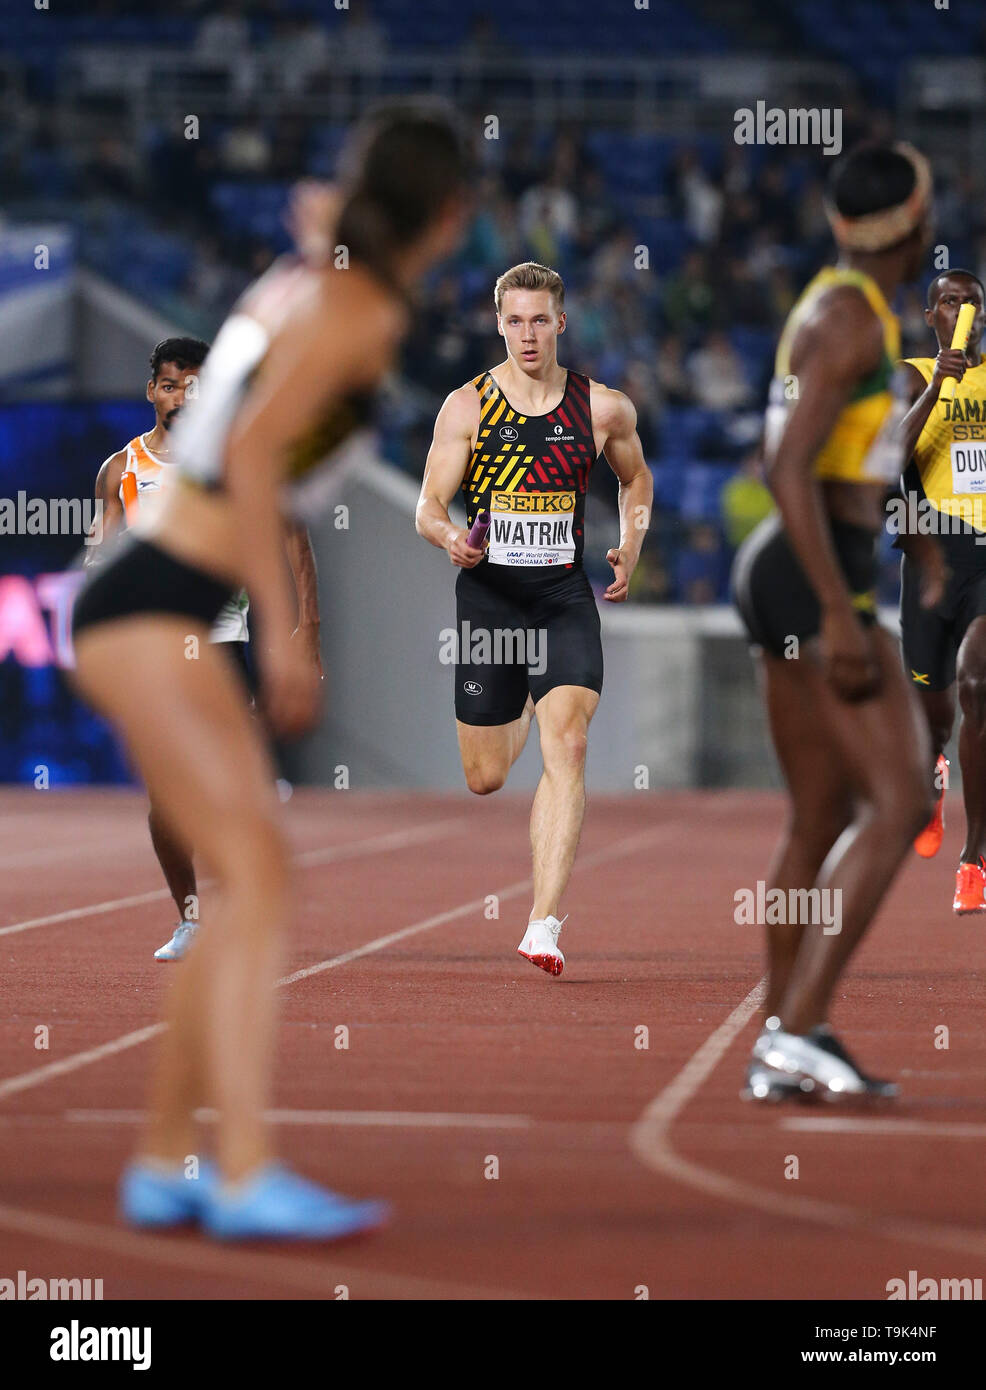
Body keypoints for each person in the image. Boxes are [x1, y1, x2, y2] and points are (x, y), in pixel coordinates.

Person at [70, 100, 471, 1239]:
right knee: (252, 874)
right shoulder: (354, 311)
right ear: (446, 216)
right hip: (152, 605)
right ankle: (240, 1172)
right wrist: (290, 637)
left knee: (245, 873)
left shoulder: (314, 282)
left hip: (153, 602)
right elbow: (249, 459)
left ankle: (163, 1161)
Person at [731, 142, 941, 1100]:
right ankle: (803, 1025)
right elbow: (785, 469)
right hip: (812, 581)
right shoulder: (850, 320)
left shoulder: (844, 307)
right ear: (915, 223)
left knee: (820, 816)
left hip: (801, 575)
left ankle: (782, 1039)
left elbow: (837, 460)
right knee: (901, 803)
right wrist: (841, 613)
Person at [415, 261, 652, 976]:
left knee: (569, 745)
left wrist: (631, 543)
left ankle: (542, 923)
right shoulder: (468, 407)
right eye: (514, 320)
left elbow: (635, 476)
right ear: (498, 323)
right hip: (489, 601)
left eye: (539, 319)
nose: (527, 333)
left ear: (560, 323)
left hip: (561, 599)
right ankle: (521, 690)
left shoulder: (602, 408)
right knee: (484, 777)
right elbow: (427, 505)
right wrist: (450, 536)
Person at [87, 337, 322, 960]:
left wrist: (305, 630)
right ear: (151, 392)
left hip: (222, 636)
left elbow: (294, 540)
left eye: (195, 386)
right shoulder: (122, 471)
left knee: (231, 778)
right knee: (166, 794)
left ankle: (246, 898)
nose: (182, 397)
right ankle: (190, 915)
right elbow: (100, 559)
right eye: (170, 385)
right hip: (155, 644)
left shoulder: (237, 462)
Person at [896, 271, 986, 911]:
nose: (964, 310)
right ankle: (934, 774)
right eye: (952, 301)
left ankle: (975, 858)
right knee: (933, 713)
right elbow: (886, 458)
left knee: (979, 685)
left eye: (974, 302)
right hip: (931, 555)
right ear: (932, 315)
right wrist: (937, 386)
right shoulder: (909, 373)